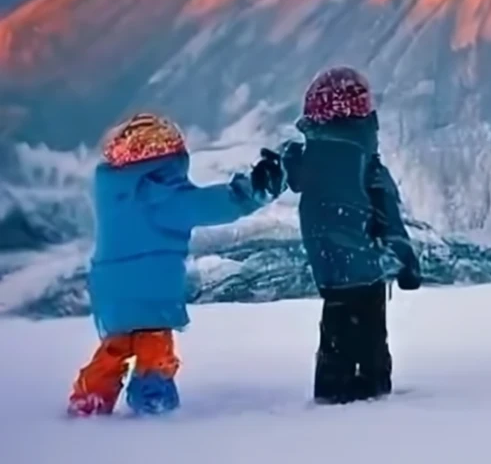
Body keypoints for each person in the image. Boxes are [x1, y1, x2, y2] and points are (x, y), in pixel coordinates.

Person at [68, 112, 284, 416]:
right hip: (149, 289)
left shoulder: (117, 191)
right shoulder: (160, 197)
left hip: (110, 288)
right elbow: (210, 205)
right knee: (153, 346)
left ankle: (90, 397)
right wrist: (254, 191)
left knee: (116, 345)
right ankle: (153, 400)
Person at [283, 66, 421, 405]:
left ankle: (331, 393)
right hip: (366, 271)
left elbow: (293, 176)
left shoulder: (306, 157)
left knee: (334, 341)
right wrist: (404, 258)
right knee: (371, 344)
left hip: (329, 272)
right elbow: (388, 216)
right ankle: (370, 396)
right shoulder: (367, 164)